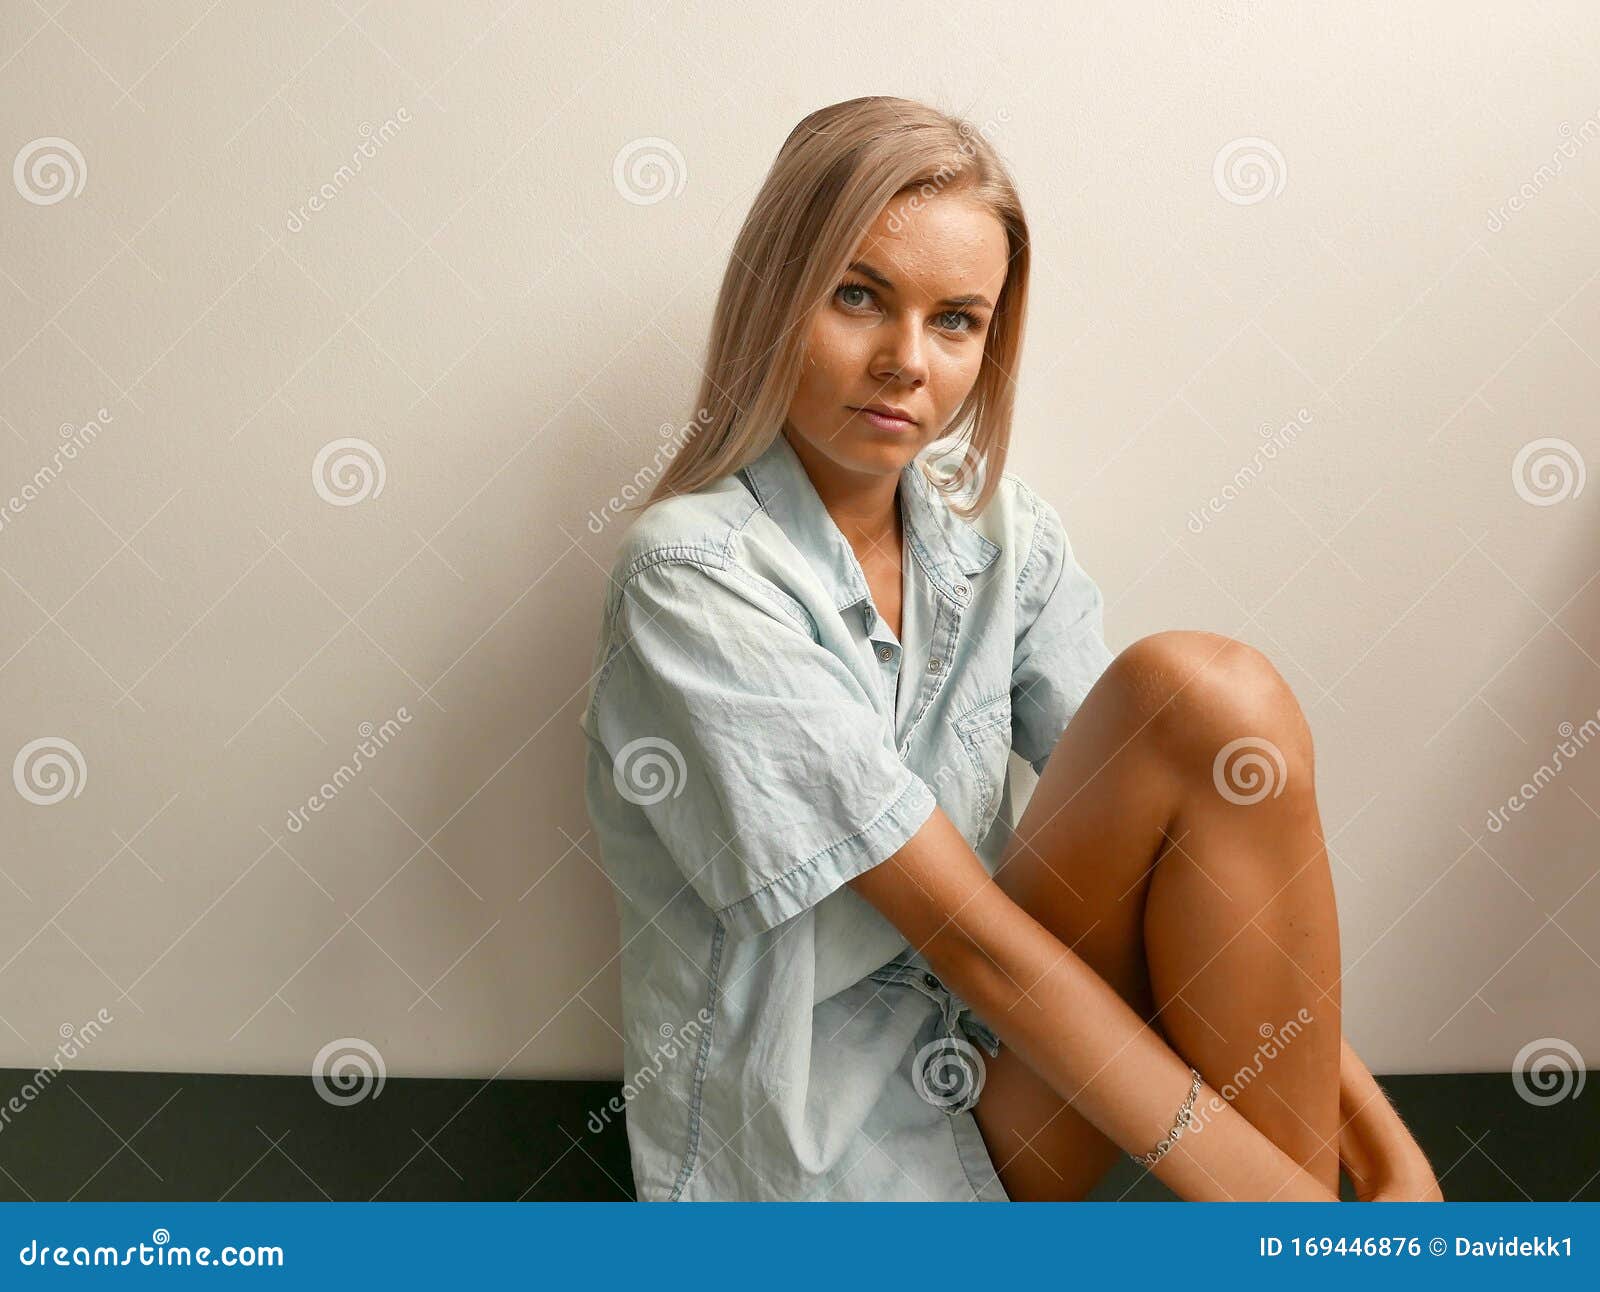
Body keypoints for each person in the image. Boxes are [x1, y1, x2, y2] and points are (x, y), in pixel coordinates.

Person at [577, 95, 1442, 1202]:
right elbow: (971, 944)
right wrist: (1310, 1212)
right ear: (774, 296)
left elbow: (1213, 863)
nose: (905, 361)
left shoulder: (1000, 533)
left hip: (999, 1071)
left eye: (955, 320)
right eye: (857, 296)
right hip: (829, 1165)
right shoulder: (689, 577)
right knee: (1186, 697)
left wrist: (1391, 1160)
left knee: (1212, 701)